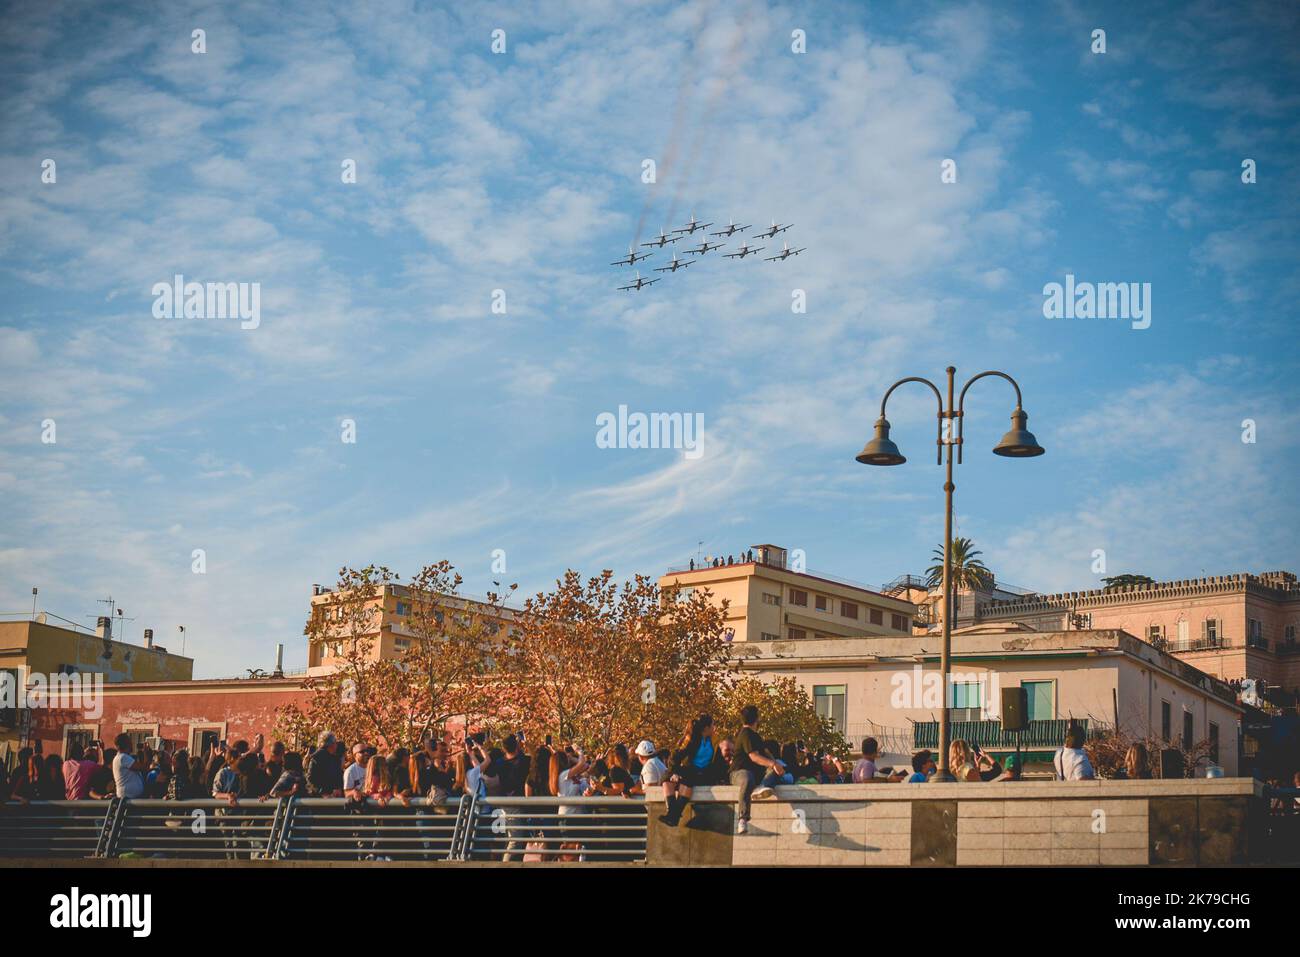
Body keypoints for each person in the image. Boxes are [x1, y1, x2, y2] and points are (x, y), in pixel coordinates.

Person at [731, 705, 785, 834]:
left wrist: (777, 765)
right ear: (757, 718)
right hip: (738, 772)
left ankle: (763, 786)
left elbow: (765, 753)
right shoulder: (745, 734)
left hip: (757, 774)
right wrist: (773, 764)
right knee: (748, 777)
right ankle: (743, 819)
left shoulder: (756, 736)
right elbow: (754, 756)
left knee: (775, 771)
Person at [661, 713, 717, 827]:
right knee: (666, 779)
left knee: (687, 780)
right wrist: (675, 772)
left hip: (704, 773)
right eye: (712, 725)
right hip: (690, 770)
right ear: (706, 728)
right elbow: (675, 757)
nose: (714, 728)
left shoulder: (714, 741)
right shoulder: (693, 740)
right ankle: (673, 814)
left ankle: (673, 816)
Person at [306, 731, 343, 797]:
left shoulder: (335, 759)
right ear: (330, 744)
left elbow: (338, 778)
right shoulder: (316, 758)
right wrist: (322, 793)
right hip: (320, 799)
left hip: (332, 796)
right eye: (335, 742)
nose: (336, 745)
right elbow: (311, 779)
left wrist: (338, 789)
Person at [112, 733, 146, 799]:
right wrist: (146, 752)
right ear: (127, 744)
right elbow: (143, 767)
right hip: (128, 798)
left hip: (128, 796)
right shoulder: (123, 757)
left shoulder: (121, 757)